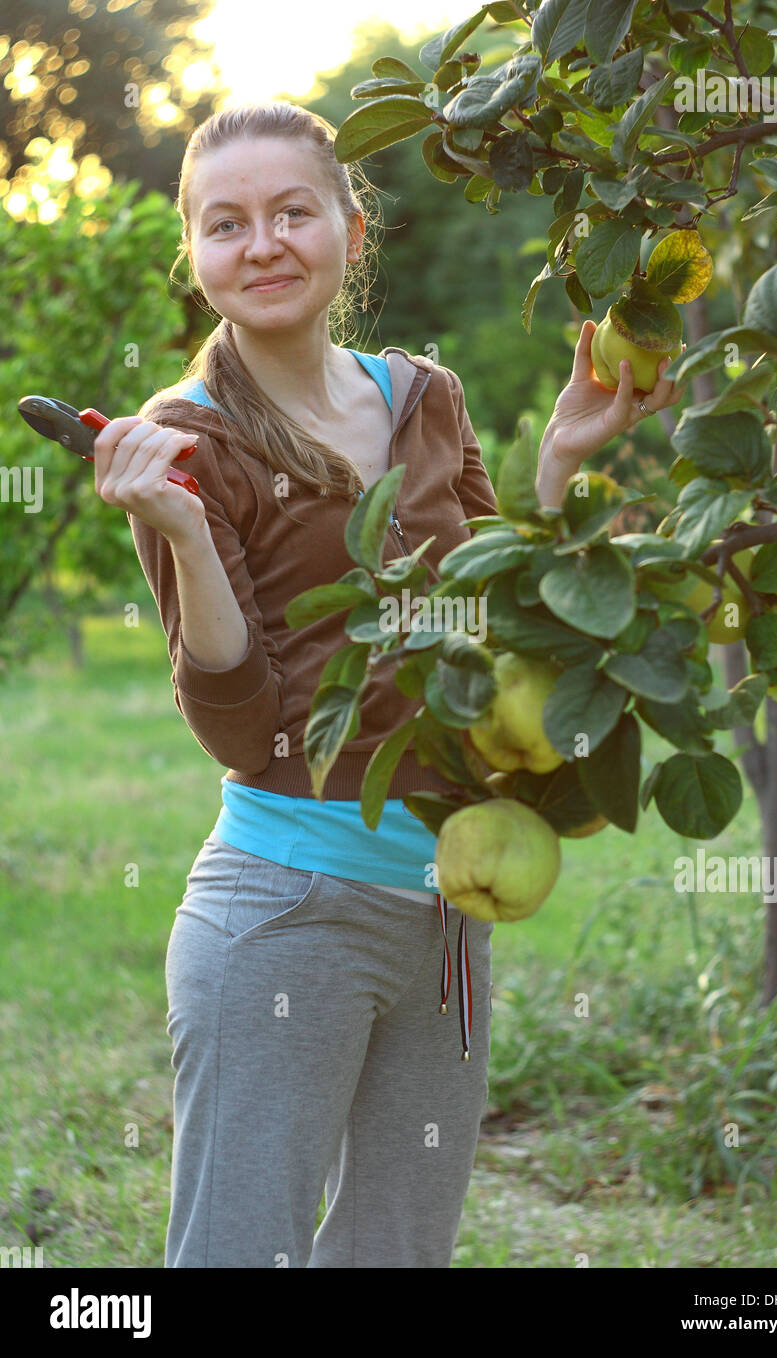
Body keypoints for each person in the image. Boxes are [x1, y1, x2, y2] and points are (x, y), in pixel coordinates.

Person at [93, 100, 683, 1269]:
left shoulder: (423, 396)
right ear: (195, 257)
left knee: (398, 1249)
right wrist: (189, 535)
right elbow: (244, 727)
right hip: (285, 909)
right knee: (237, 1253)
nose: (260, 244)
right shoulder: (183, 439)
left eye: (291, 212)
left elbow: (498, 619)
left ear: (350, 231)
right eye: (225, 224)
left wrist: (559, 459)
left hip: (450, 899)